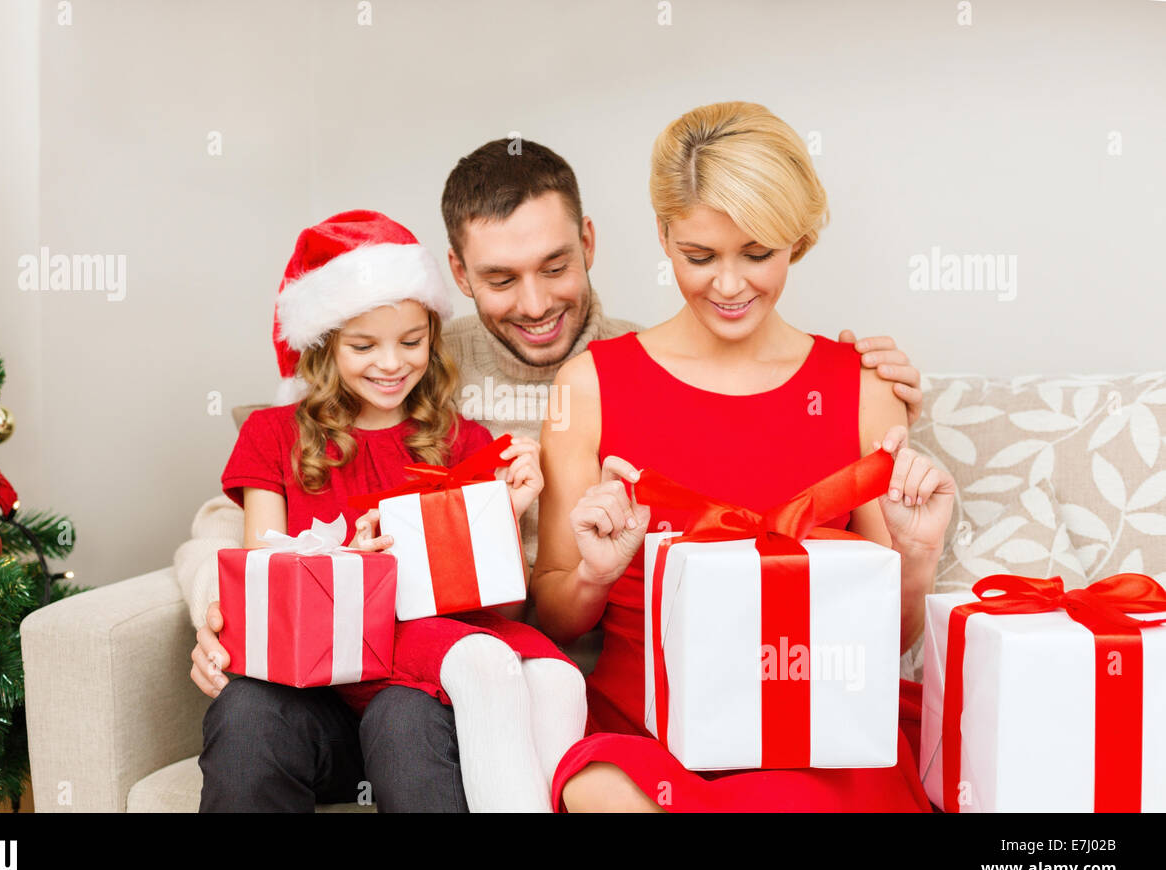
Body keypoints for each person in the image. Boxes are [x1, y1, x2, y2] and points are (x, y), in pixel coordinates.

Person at [189, 137, 929, 811]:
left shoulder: (649, 358)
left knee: (415, 719)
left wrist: (866, 408)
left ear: (591, 244)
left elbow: (847, 580)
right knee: (253, 714)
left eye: (555, 266)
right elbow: (265, 492)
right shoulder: (413, 357)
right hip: (420, 667)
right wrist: (221, 612)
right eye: (501, 278)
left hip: (500, 677)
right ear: (457, 274)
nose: (537, 303)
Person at [530, 101, 957, 812]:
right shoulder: (591, 385)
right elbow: (553, 615)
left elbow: (889, 637)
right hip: (649, 726)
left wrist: (913, 561)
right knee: (597, 785)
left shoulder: (862, 386)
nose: (729, 286)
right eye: (700, 258)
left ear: (799, 239)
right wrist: (594, 574)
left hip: (812, 726)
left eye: (758, 254)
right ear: (664, 235)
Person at [197, 210, 583, 813]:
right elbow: (262, 580)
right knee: (245, 709)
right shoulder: (274, 436)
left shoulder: (464, 443)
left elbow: (500, 611)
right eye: (363, 345)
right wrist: (342, 575)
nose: (391, 364)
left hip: (413, 699)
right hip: (314, 700)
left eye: (411, 342)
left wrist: (504, 518)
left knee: (405, 721)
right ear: (325, 344)